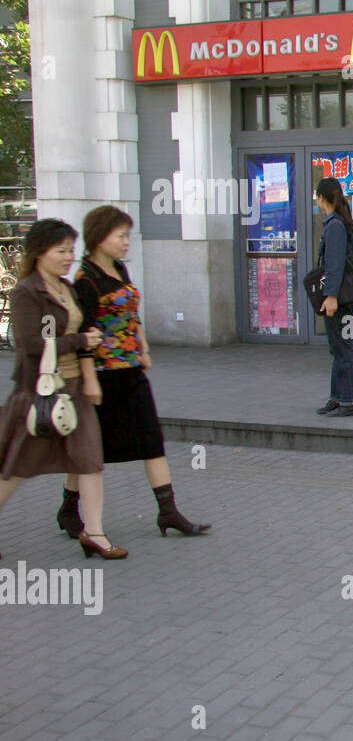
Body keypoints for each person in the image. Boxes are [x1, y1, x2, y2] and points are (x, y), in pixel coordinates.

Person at [57, 206, 210, 539]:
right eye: (121, 236)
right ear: (100, 237)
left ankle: (168, 512)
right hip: (102, 375)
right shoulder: (86, 280)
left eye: (128, 235)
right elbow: (84, 331)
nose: (127, 242)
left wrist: (143, 347)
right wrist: (91, 380)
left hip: (131, 370)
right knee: (92, 448)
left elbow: (131, 313)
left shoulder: (120, 269)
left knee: (151, 439)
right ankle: (69, 507)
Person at [0, 219, 125, 560]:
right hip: (39, 392)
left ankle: (95, 533)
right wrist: (80, 340)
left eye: (72, 249)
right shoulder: (27, 291)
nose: (69, 257)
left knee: (89, 461)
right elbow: (29, 343)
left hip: (74, 391)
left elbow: (80, 328)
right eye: (62, 250)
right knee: (17, 467)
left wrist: (89, 371)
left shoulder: (66, 288)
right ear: (40, 252)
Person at [315, 177, 353, 416]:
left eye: (317, 197)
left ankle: (352, 399)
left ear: (322, 198)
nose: (317, 201)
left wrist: (331, 296)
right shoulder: (344, 222)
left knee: (344, 347)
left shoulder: (335, 225)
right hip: (348, 296)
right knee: (339, 347)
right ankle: (338, 396)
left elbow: (334, 265)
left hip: (341, 299)